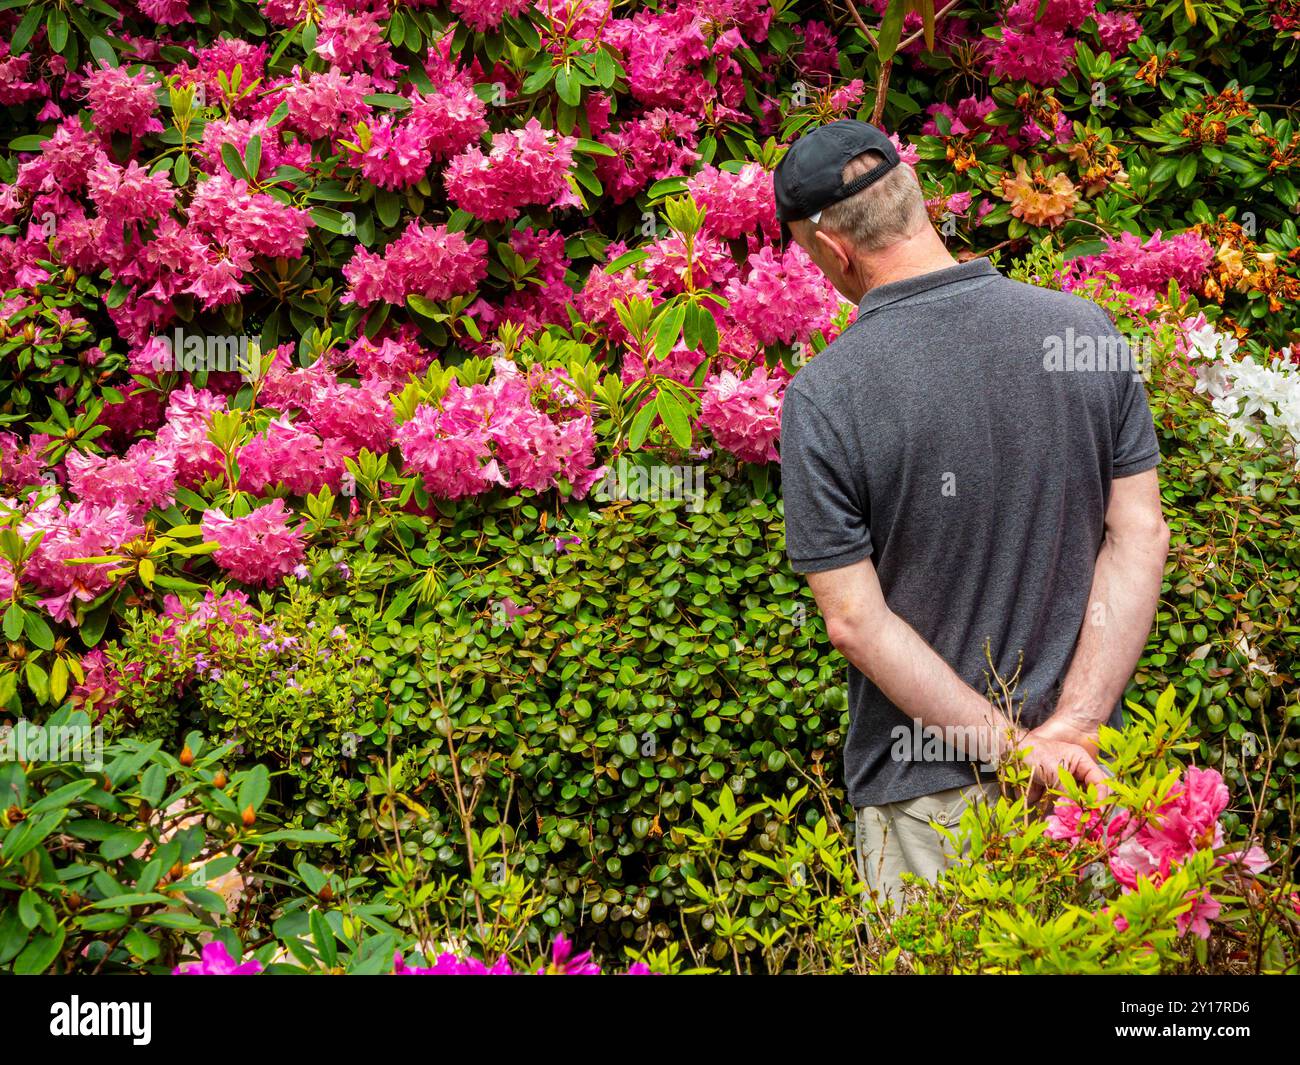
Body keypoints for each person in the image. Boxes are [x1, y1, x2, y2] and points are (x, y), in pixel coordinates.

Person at [775, 120, 1170, 906]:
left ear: (833, 253)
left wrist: (1015, 752)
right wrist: (1075, 731)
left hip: (928, 800)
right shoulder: (1082, 332)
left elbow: (855, 620)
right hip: (1088, 789)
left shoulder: (825, 396)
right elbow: (1140, 535)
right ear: (915, 202)